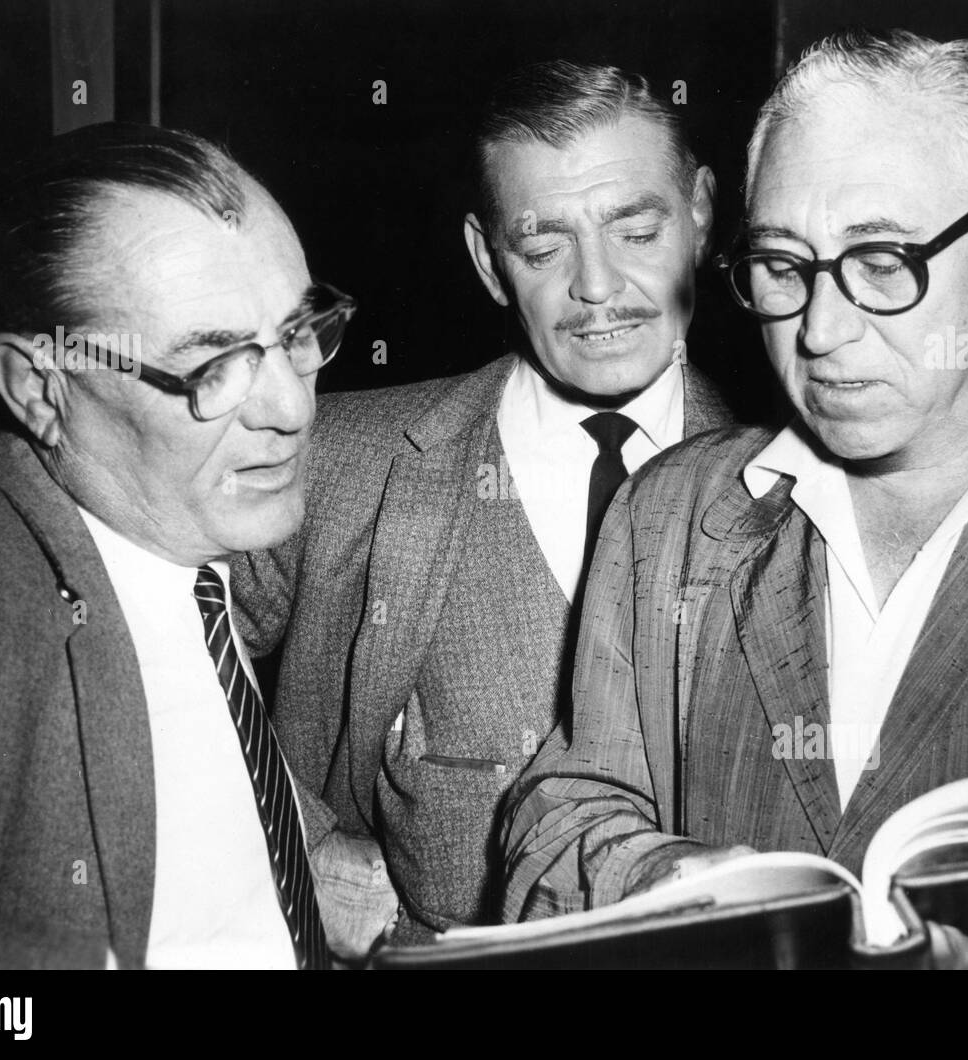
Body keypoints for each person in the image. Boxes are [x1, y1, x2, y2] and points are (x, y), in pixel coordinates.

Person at [500, 30, 968, 958]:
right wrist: (664, 882)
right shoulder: (670, 517)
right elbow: (565, 813)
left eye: (882, 262)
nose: (820, 330)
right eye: (783, 266)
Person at [230, 59, 736, 955]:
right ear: (488, 261)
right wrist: (296, 839)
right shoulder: (337, 462)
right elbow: (152, 638)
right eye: (543, 248)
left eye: (635, 230)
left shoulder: (806, 477)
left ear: (698, 215)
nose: (595, 285)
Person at [0, 122, 355, 969]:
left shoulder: (179, 528)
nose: (291, 406)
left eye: (295, 335)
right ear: (41, 387)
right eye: (212, 367)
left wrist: (317, 854)